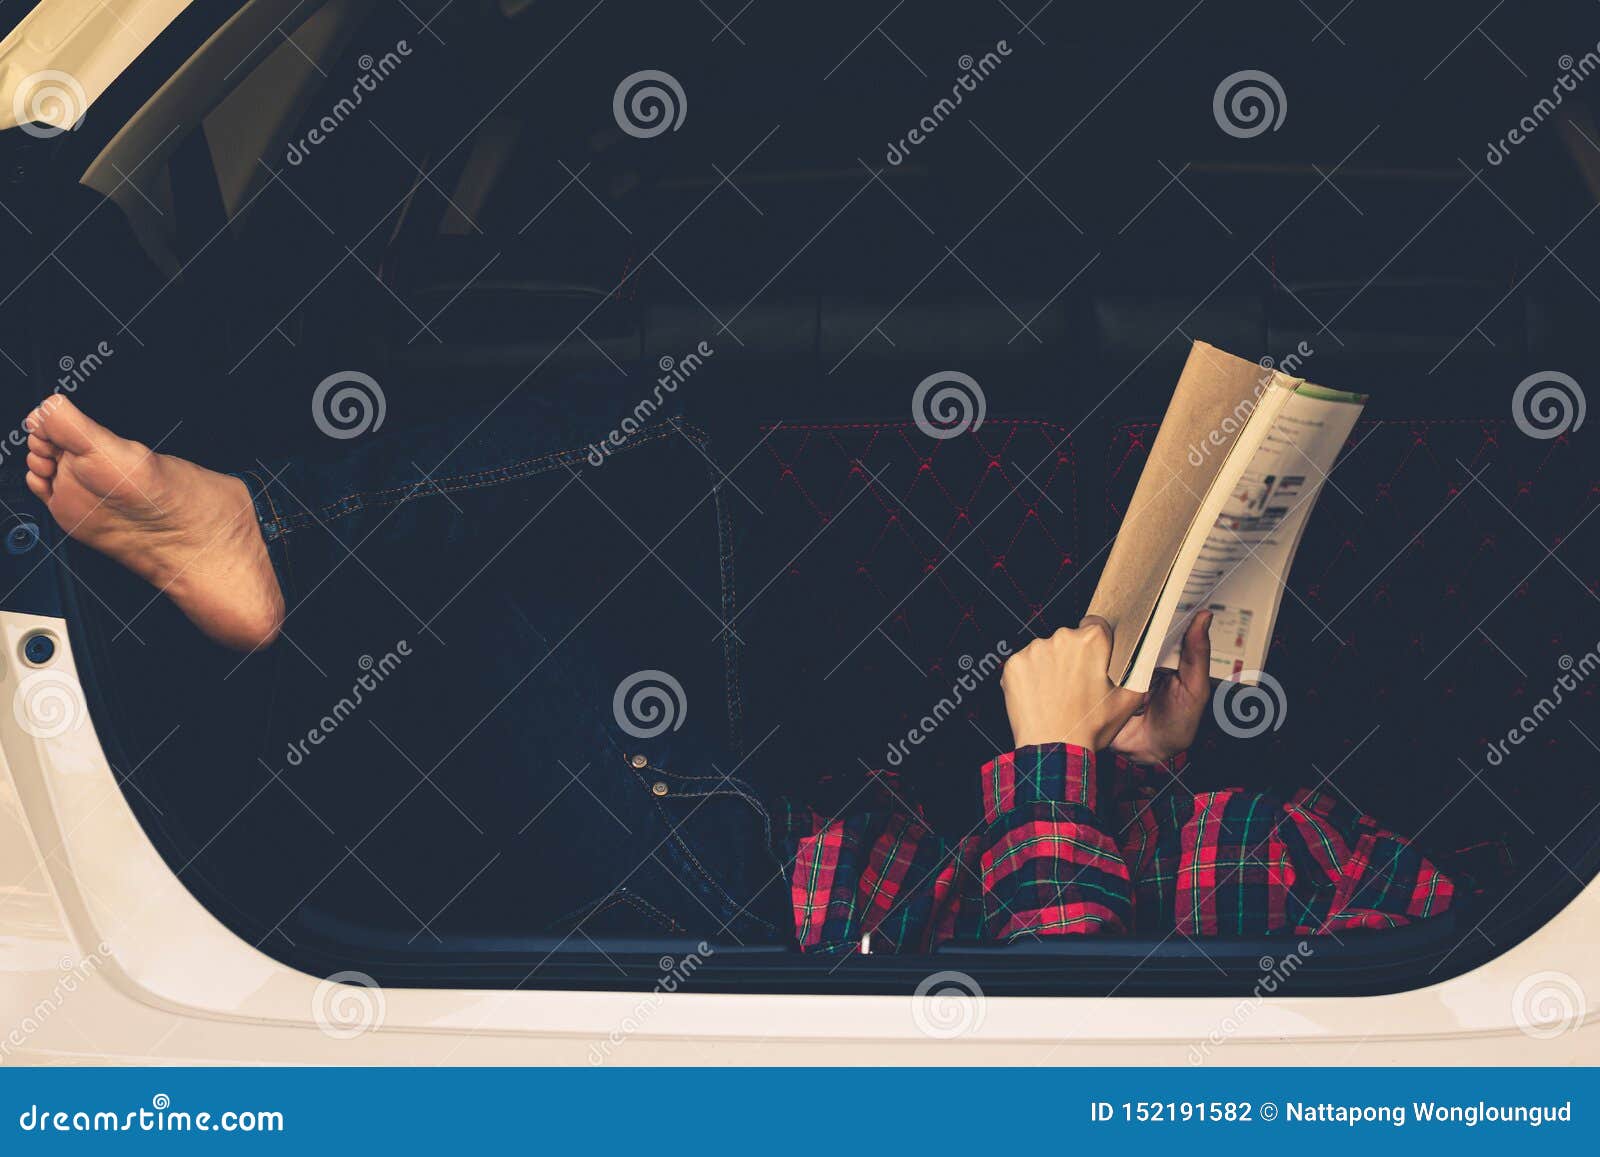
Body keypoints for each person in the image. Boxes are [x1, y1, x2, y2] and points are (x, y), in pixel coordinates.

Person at [19, 389, 1454, 953]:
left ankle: (251, 547)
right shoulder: (1330, 865)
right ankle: (265, 548)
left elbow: (1065, 1062)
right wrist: (1148, 767)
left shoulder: (1420, 931)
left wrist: (1058, 773)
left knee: (482, 618)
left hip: (745, 928)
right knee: (663, 453)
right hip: (797, 828)